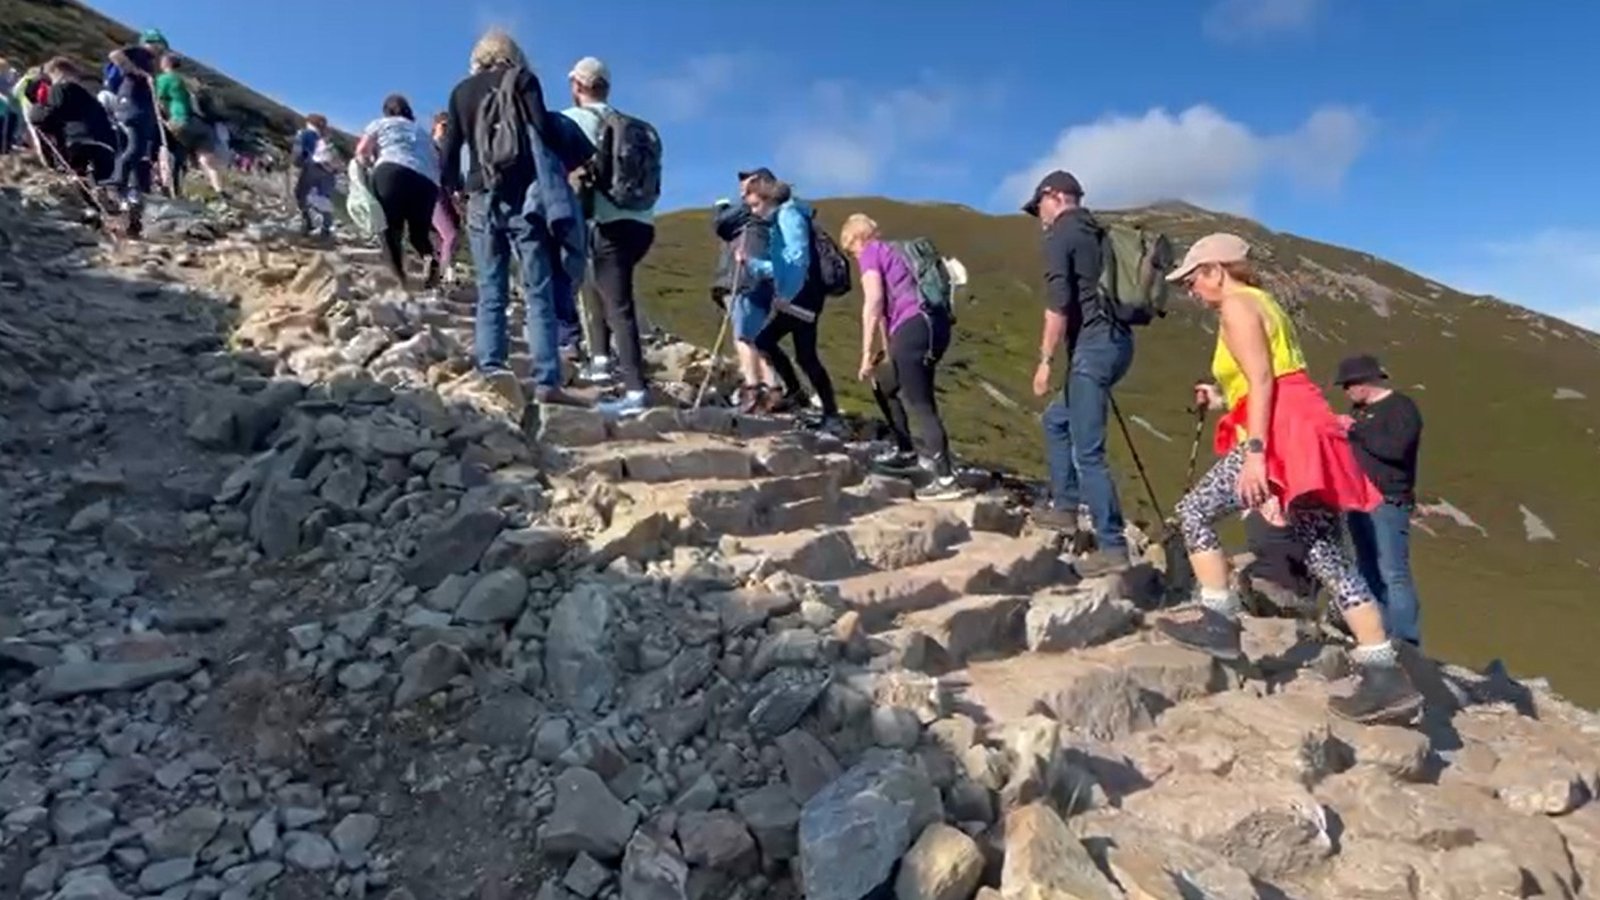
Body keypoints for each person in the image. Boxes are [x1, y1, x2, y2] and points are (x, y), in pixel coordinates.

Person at [1158, 233, 1421, 725]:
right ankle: (1385, 673)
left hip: (1279, 431)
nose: (1193, 290)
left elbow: (1262, 380)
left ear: (1217, 270)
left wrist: (1257, 455)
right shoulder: (1264, 302)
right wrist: (1221, 401)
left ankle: (1219, 621)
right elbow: (1272, 377)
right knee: (1323, 552)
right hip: (1305, 422)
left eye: (1194, 279)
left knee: (1195, 513)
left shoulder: (1236, 306)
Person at [440, 28, 591, 407]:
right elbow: (542, 128)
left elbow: (450, 147)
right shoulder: (524, 80)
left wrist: (454, 187)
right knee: (536, 289)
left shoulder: (462, 91)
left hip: (480, 195)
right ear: (514, 56)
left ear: (478, 58)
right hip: (525, 195)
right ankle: (546, 381)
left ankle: (492, 370)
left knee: (491, 288)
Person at [1024, 170, 1134, 577]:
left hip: (1093, 348)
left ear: (1053, 197)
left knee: (1089, 450)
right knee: (1057, 420)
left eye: (1038, 207)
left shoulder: (1061, 236)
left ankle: (1112, 546)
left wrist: (1045, 361)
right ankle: (1066, 508)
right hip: (1118, 343)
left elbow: (1058, 306)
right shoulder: (1096, 231)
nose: (1039, 216)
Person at [839, 213, 964, 500]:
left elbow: (874, 303)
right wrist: (885, 351)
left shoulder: (870, 253)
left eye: (850, 249)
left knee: (921, 402)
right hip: (932, 326)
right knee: (886, 383)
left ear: (856, 238)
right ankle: (906, 450)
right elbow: (887, 314)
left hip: (912, 327)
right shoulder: (895, 251)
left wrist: (866, 353)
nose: (853, 255)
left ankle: (945, 478)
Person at [561, 56, 657, 416]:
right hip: (642, 221)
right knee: (600, 287)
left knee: (618, 304)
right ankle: (601, 362)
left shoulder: (574, 120)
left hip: (605, 220)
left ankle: (635, 392)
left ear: (577, 86)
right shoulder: (630, 124)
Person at [738, 169, 843, 432]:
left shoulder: (788, 215)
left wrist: (756, 267)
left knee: (766, 341)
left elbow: (796, 260)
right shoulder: (788, 215)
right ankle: (824, 410)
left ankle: (805, 399)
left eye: (755, 205)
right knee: (805, 355)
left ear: (768, 199)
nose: (753, 211)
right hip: (805, 296)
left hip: (800, 296)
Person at [1336, 353, 1424, 648]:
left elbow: (1395, 449)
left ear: (1363, 382)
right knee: (1367, 568)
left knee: (1393, 572)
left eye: (1348, 385)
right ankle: (1378, 633)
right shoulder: (1359, 412)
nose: (1346, 392)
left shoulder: (1400, 408)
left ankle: (1405, 639)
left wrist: (1354, 430)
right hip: (1357, 499)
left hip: (1386, 499)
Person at [356, 94, 440, 290]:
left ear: (387, 111)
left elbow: (362, 151)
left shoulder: (380, 124)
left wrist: (366, 170)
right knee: (419, 234)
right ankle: (433, 267)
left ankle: (399, 279)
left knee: (389, 228)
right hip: (427, 181)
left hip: (392, 171)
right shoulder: (422, 132)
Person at [711, 196, 776, 411]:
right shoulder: (767, 226)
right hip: (764, 286)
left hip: (742, 283)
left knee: (743, 338)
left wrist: (721, 209)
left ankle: (753, 389)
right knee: (758, 339)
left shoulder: (740, 224)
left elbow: (719, 223)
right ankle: (773, 390)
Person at [25, 57, 117, 196]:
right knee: (100, 179)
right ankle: (109, 202)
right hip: (105, 144)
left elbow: (52, 114)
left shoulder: (60, 88)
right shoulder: (90, 98)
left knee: (81, 178)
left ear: (57, 71)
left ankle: (93, 205)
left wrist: (36, 112)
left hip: (77, 140)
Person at [155, 54, 225, 198]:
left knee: (174, 156)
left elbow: (158, 100)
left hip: (180, 120)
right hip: (201, 125)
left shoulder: (165, 78)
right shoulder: (187, 81)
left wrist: (164, 120)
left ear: (166, 63)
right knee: (206, 160)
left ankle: (172, 190)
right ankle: (220, 191)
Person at [291, 114, 338, 237]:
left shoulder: (304, 133)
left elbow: (298, 153)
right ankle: (326, 228)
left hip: (312, 167)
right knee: (323, 198)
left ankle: (308, 223)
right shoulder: (324, 139)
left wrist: (297, 163)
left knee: (301, 194)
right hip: (328, 171)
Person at [428, 112, 461, 286]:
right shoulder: (428, 147)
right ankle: (442, 278)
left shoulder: (450, 152)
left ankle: (439, 277)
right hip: (432, 193)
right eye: (444, 126)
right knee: (450, 235)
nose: (447, 131)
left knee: (443, 239)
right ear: (435, 126)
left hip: (447, 197)